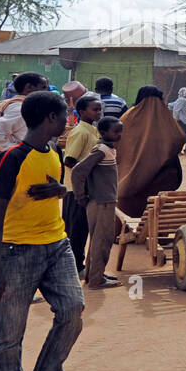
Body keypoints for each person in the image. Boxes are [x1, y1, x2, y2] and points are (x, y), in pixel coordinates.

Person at [0, 90, 84, 371]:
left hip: (56, 244)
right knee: (10, 333)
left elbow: (56, 187)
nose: (68, 120)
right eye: (65, 115)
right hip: (17, 251)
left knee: (72, 310)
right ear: (51, 118)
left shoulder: (53, 151)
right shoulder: (12, 157)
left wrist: (61, 191)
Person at [70, 116, 123, 289]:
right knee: (102, 241)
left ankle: (95, 274)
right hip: (101, 202)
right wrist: (80, 195)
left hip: (103, 200)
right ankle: (96, 280)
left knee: (98, 240)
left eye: (120, 131)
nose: (119, 134)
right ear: (104, 132)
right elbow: (78, 171)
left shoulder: (108, 148)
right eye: (116, 131)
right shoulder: (101, 149)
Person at [115, 86, 184, 217]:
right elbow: (179, 138)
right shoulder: (166, 117)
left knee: (128, 212)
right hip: (164, 177)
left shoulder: (128, 117)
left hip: (131, 177)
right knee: (160, 214)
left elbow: (117, 142)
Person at [62, 93, 104, 274]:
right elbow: (69, 160)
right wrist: (87, 171)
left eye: (100, 109)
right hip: (76, 188)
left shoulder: (92, 131)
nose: (99, 113)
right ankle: (75, 266)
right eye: (95, 110)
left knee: (83, 228)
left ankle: (78, 265)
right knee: (76, 230)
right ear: (82, 112)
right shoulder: (80, 132)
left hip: (88, 186)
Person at [0, 73, 50, 154]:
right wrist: (18, 152)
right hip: (21, 161)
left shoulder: (25, 106)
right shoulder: (21, 109)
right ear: (29, 87)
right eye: (43, 87)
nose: (47, 91)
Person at [168, 87, 186, 152]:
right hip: (182, 121)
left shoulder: (180, 100)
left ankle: (180, 149)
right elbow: (176, 110)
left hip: (181, 121)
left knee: (182, 135)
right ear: (183, 93)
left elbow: (171, 105)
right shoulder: (182, 100)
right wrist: (176, 119)